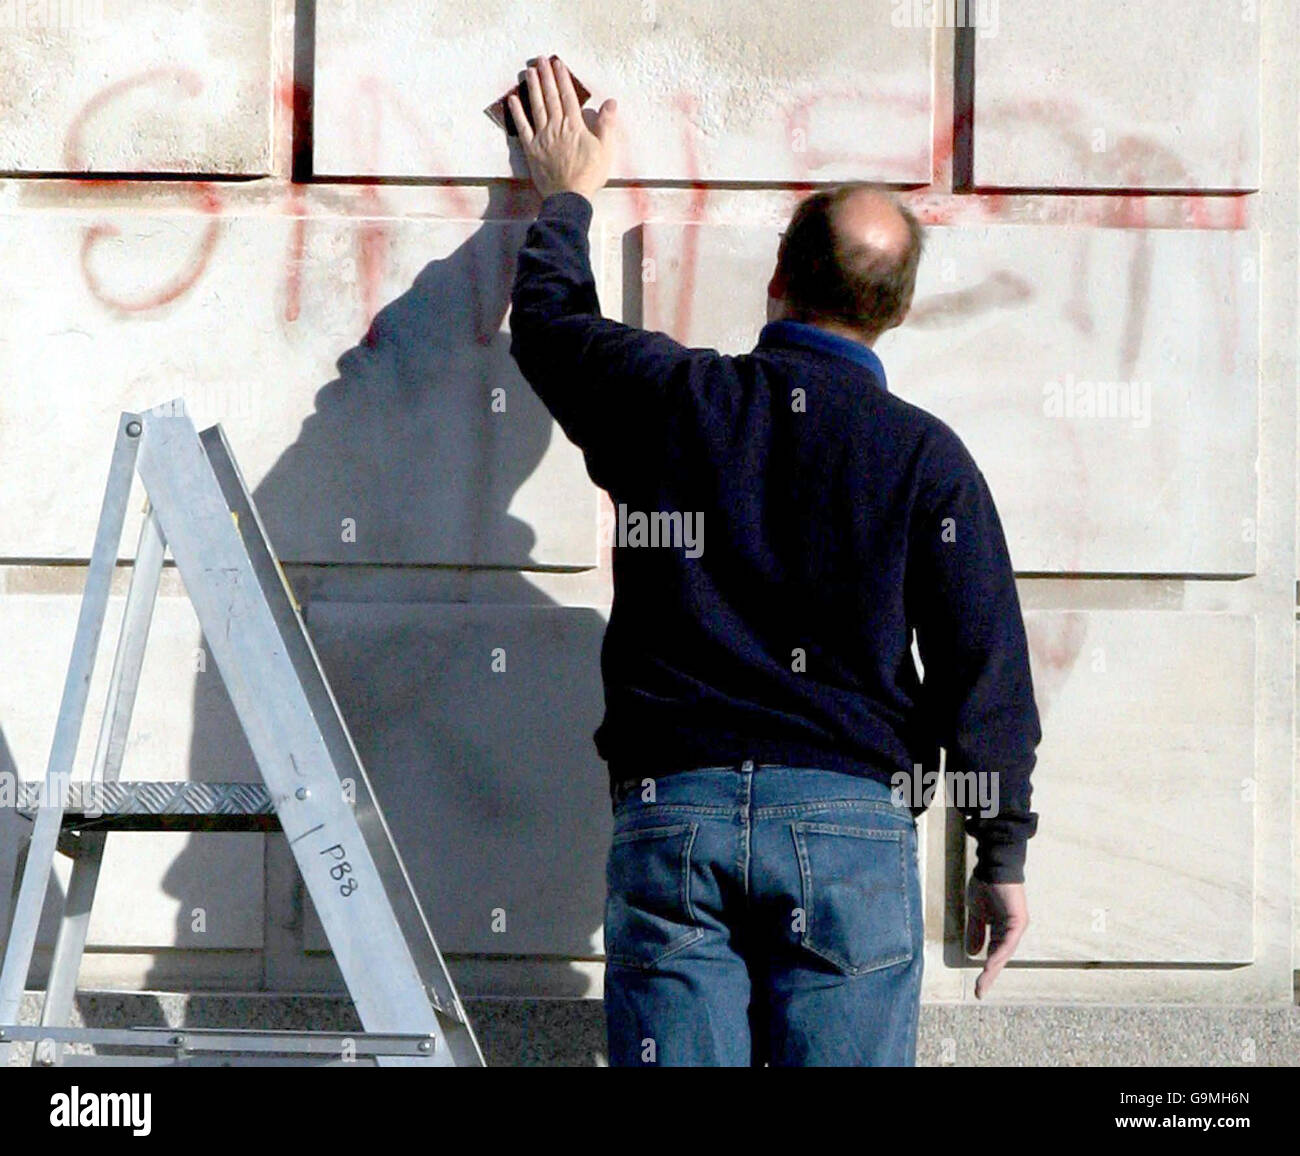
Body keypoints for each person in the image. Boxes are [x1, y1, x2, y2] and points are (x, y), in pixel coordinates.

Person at [507, 54, 1042, 1066]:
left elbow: (551, 326)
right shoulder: (926, 459)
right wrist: (997, 853)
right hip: (849, 832)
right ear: (894, 312)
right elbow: (984, 673)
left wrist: (570, 193)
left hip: (679, 820)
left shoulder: (678, 404)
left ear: (777, 281)